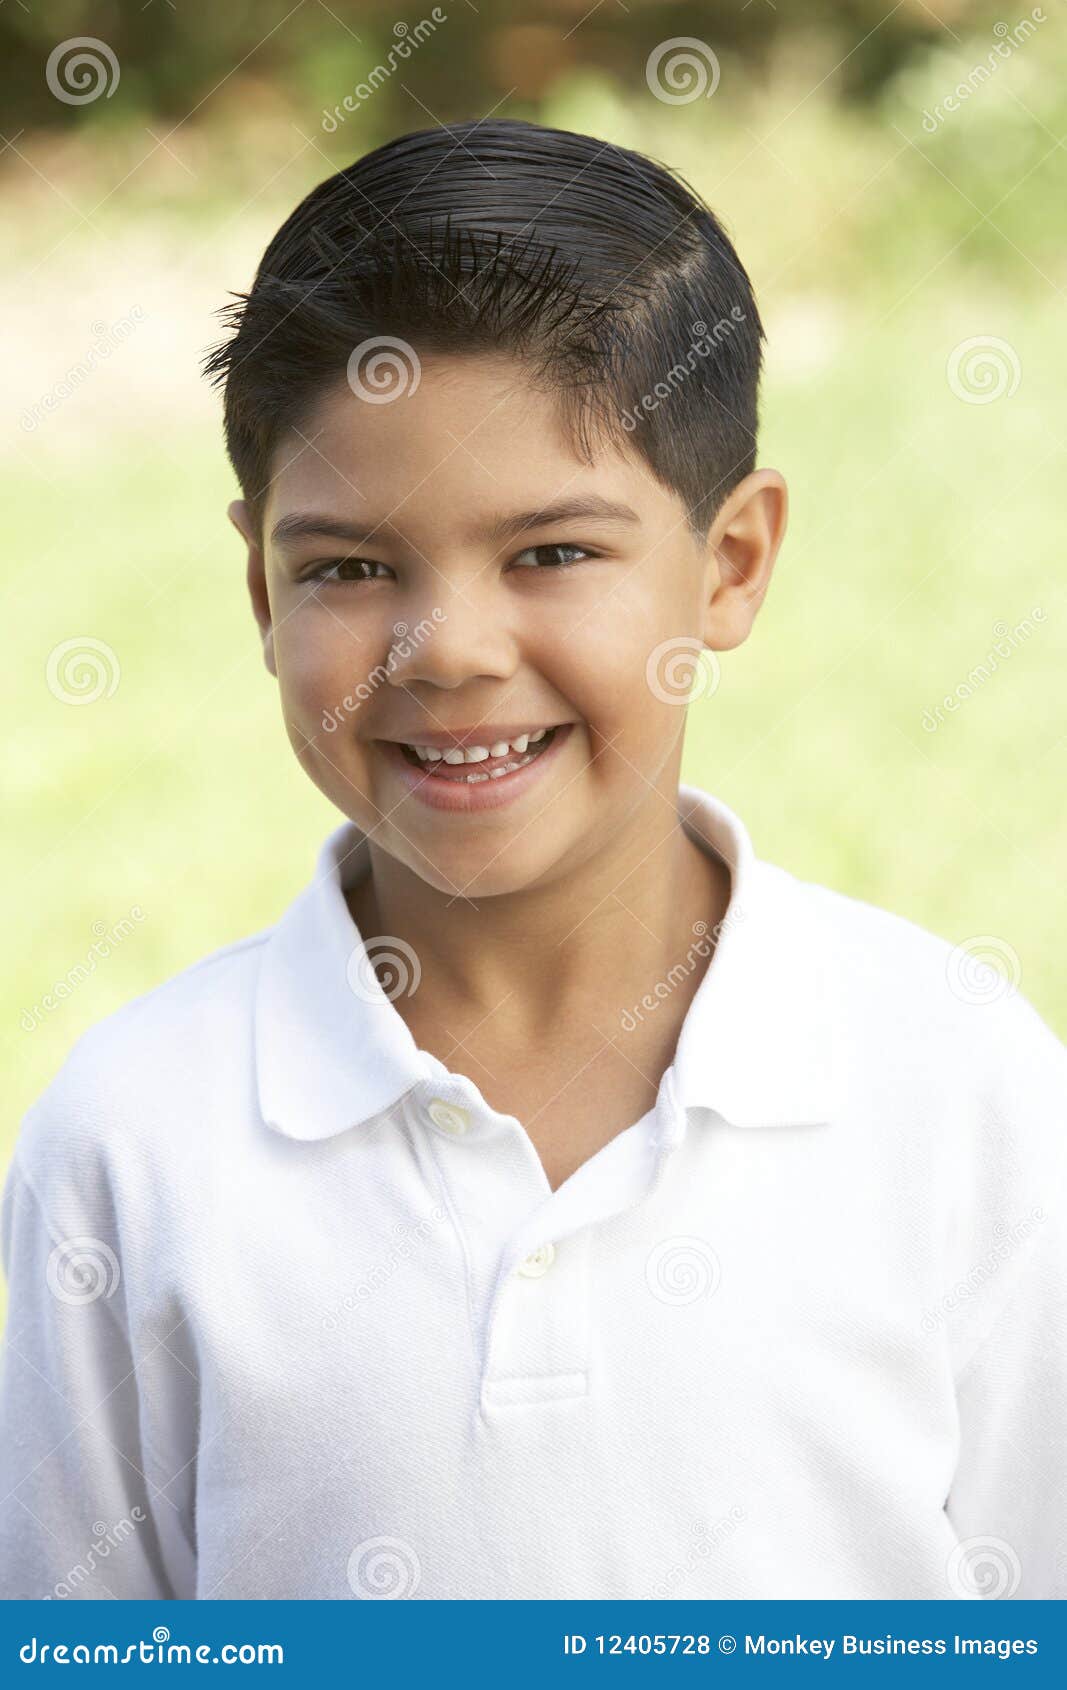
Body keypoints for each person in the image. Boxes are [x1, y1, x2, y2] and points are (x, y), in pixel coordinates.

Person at [1, 119, 1064, 1601]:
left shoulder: (963, 1089)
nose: (452, 652)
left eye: (553, 553)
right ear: (261, 585)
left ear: (733, 561)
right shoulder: (126, 1148)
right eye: (351, 568)